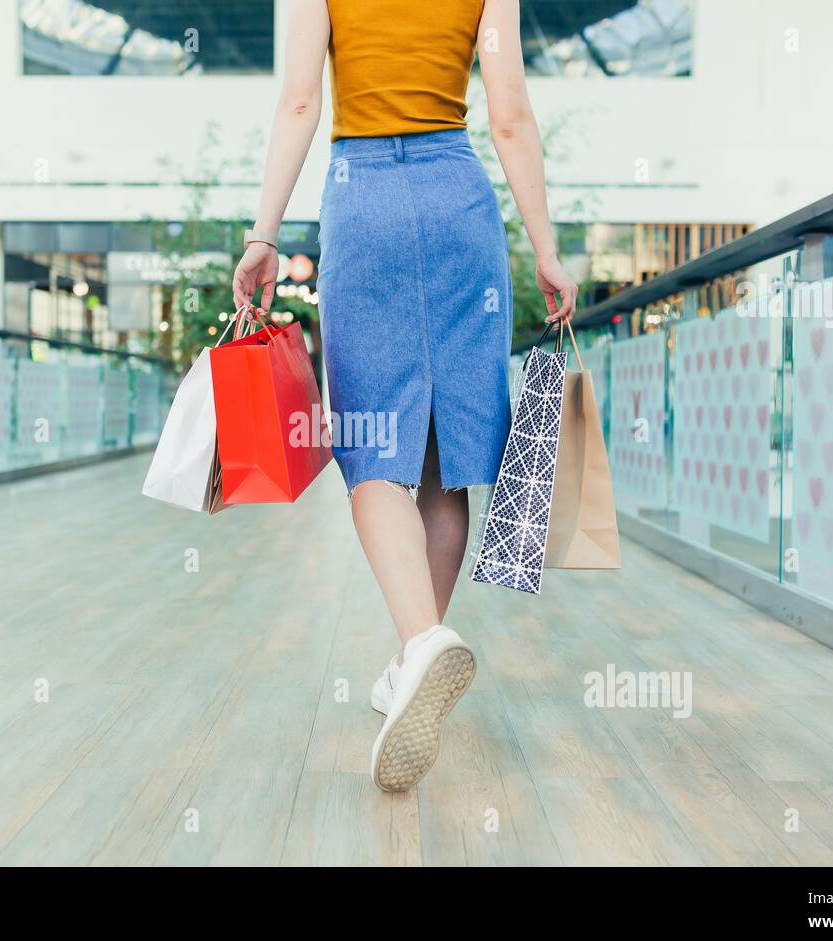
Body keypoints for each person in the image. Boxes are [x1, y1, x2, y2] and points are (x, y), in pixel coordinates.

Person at [233, 0, 576, 792]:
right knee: (443, 459)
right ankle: (411, 659)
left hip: (363, 199)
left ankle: (421, 643)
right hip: (459, 198)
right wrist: (546, 248)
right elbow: (512, 116)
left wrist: (264, 233)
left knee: (373, 446)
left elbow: (298, 102)